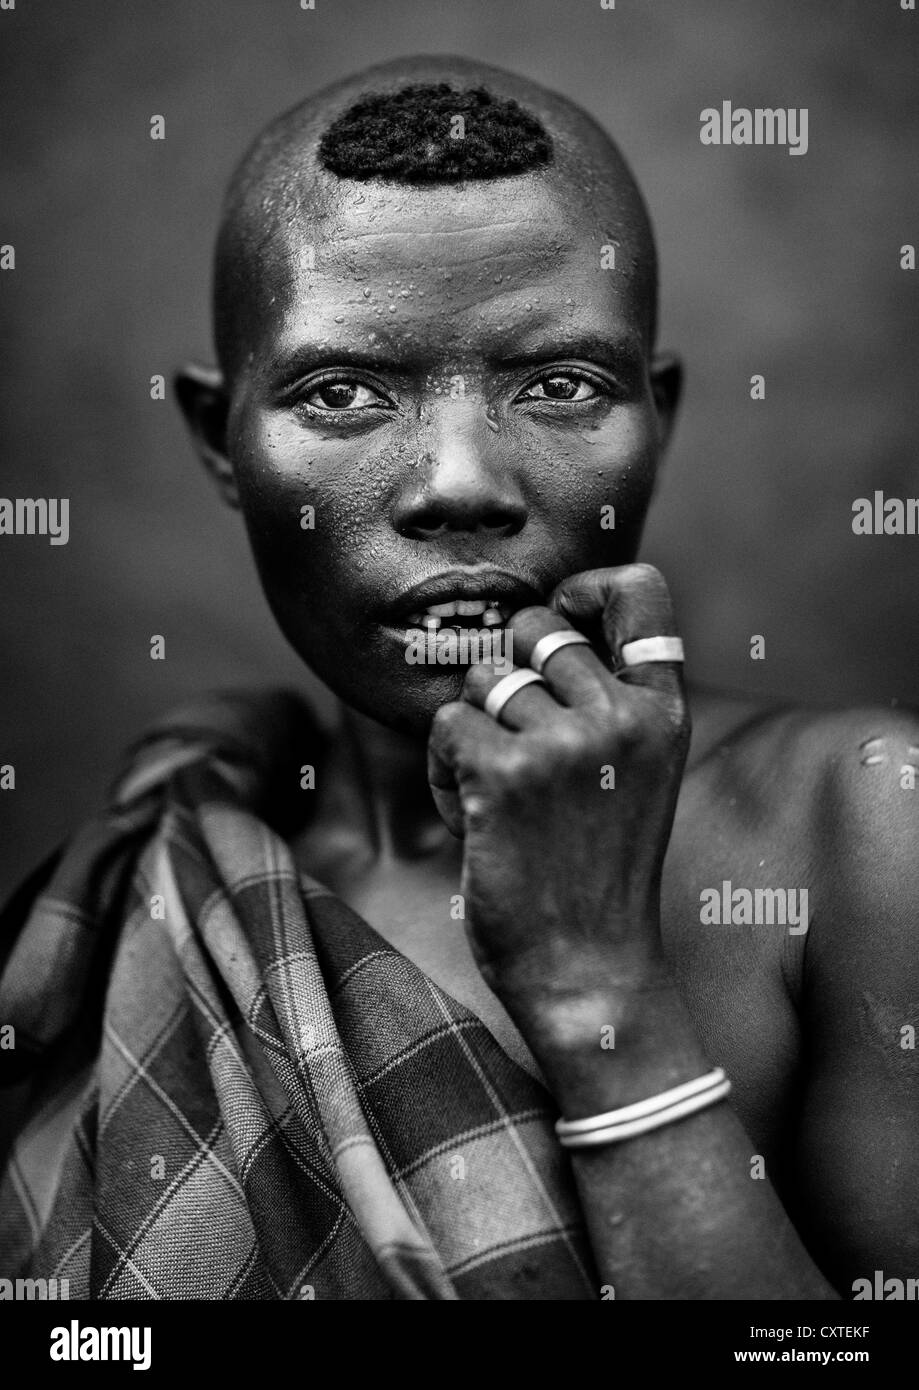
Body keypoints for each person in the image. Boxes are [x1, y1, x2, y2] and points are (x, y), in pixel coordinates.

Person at [1, 55, 916, 1302]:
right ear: (222, 441)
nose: (459, 483)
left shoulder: (859, 822)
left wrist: (599, 990)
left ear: (658, 415)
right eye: (341, 392)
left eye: (559, 385)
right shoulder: (141, 887)